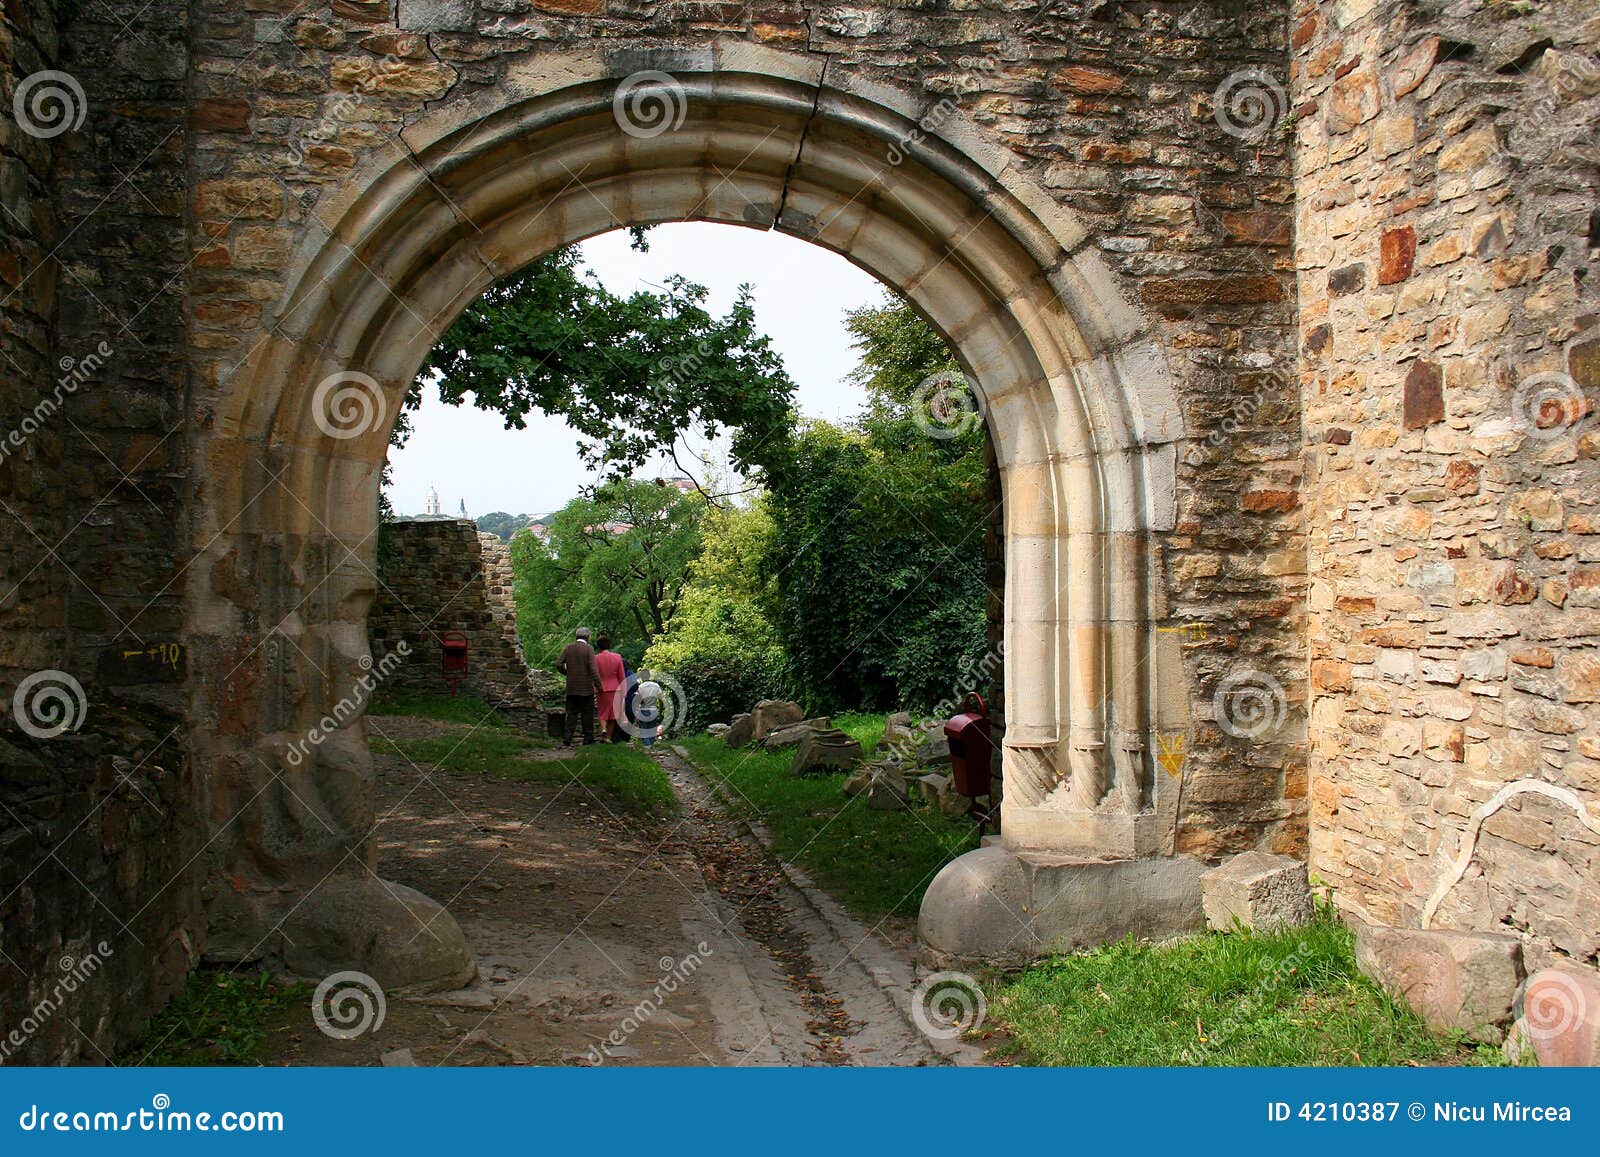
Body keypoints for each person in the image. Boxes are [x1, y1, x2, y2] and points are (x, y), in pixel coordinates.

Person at [555, 626, 601, 745]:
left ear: (576, 636)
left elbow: (558, 663)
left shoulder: (568, 648)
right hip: (586, 688)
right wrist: (599, 685)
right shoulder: (588, 649)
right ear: (588, 637)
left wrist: (567, 673)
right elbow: (593, 669)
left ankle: (567, 738)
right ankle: (588, 739)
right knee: (587, 714)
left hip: (571, 688)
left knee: (571, 714)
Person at [593, 635, 628, 741]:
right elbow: (621, 675)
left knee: (602, 711)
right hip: (616, 688)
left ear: (598, 646)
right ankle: (608, 737)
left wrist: (595, 688)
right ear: (609, 645)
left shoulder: (595, 658)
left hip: (601, 688)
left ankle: (603, 729)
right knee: (614, 714)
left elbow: (594, 675)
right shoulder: (617, 657)